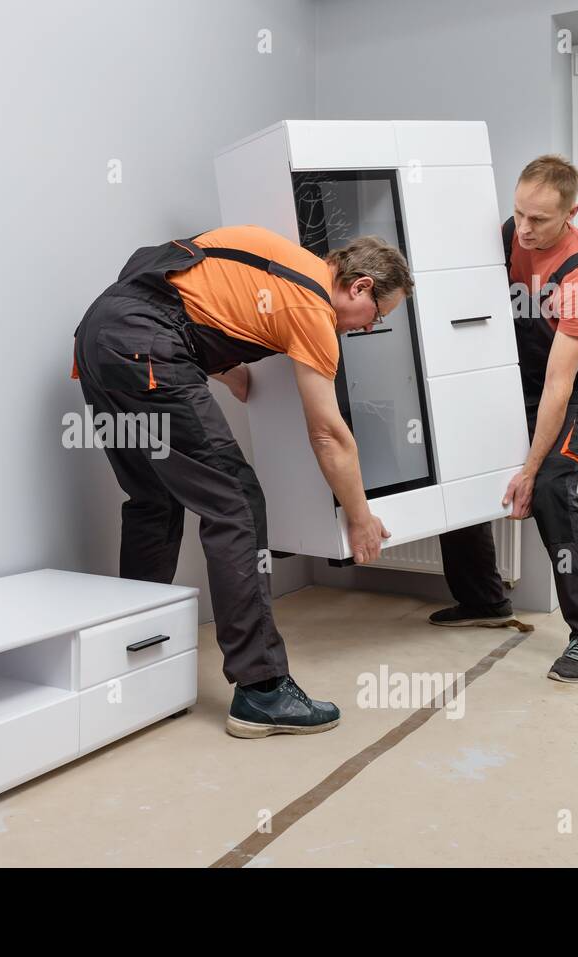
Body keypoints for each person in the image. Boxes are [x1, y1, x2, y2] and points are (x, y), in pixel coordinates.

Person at [71, 224, 413, 736]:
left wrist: (225, 370)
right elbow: (329, 436)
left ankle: (132, 664)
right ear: (359, 286)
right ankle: (263, 688)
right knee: (237, 503)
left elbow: (181, 283)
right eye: (377, 316)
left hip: (99, 341)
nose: (367, 328)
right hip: (147, 350)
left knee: (154, 500)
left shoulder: (281, 260)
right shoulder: (313, 308)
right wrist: (360, 518)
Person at [430, 155, 578, 683]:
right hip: (519, 380)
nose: (525, 229)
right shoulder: (514, 232)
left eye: (540, 219)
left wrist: (531, 470)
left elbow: (561, 382)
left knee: (553, 489)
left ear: (571, 212)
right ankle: (483, 600)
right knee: (460, 458)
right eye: (520, 214)